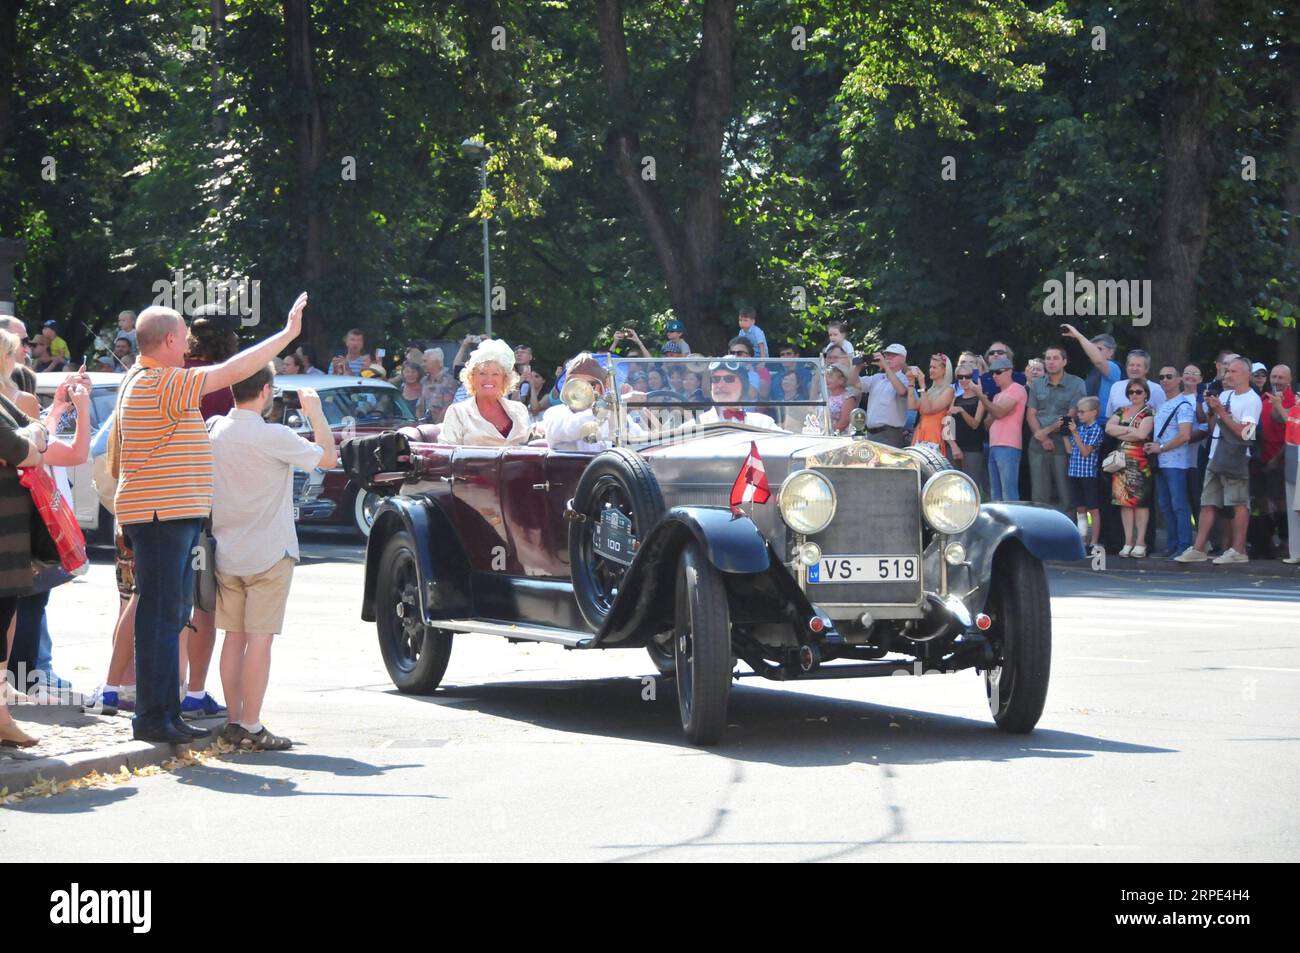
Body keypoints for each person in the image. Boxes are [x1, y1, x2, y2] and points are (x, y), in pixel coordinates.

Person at [111, 293, 308, 744]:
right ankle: (154, 717)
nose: (189, 345)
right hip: (162, 516)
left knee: (169, 614)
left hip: (166, 514)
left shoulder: (150, 377)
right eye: (183, 337)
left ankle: (164, 711)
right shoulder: (160, 381)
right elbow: (232, 372)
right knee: (162, 617)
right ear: (169, 339)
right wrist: (286, 335)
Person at [210, 367, 336, 750]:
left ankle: (234, 720)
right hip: (269, 550)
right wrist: (315, 412)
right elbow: (327, 459)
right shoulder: (273, 436)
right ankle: (251, 723)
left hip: (226, 549)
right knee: (259, 641)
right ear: (266, 391)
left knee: (232, 637)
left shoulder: (213, 428)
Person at [0, 378, 50, 748]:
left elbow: (37, 432)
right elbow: (23, 452)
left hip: (8, 539)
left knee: (1, 624)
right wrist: (27, 440)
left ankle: (1, 716)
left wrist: (29, 435)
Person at [1176, 357, 1261, 564]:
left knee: (1238, 503)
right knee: (1208, 503)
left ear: (1247, 375)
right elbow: (1215, 428)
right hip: (1216, 454)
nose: (1228, 375)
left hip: (1237, 458)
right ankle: (1199, 548)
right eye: (1227, 371)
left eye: (1234, 371)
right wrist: (1213, 409)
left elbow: (1246, 434)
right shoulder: (1225, 394)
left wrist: (1221, 411)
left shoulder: (1252, 400)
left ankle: (1238, 550)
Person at [1144, 366, 1197, 558]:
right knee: (1165, 505)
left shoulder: (1183, 406)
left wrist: (1162, 447)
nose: (1165, 380)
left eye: (1169, 376)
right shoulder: (1163, 405)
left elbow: (1185, 435)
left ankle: (1184, 545)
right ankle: (1172, 544)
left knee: (1179, 505)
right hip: (1161, 462)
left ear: (1179, 380)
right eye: (1161, 377)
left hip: (1176, 463)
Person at [1025, 345, 1086, 512]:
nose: (1051, 362)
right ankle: (1040, 533)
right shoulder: (1037, 384)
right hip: (1038, 444)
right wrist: (1042, 437)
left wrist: (1046, 431)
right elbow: (1031, 414)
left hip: (1063, 443)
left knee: (1066, 493)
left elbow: (1072, 415)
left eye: (1055, 358)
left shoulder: (1076, 383)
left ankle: (1068, 532)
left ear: (1064, 361)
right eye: (1048, 358)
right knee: (1039, 495)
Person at [439, 339, 532, 445]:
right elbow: (445, 453)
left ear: (505, 379)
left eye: (495, 374)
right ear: (472, 378)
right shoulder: (457, 412)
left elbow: (530, 446)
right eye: (482, 373)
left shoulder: (519, 410)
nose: (489, 379)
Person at [969, 357, 1027, 501]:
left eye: (998, 372)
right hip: (995, 445)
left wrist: (982, 397)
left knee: (1009, 492)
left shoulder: (1017, 389)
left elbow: (998, 413)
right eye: (993, 373)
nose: (995, 376)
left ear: (1009, 371)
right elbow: (988, 423)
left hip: (1009, 445)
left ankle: (1013, 522)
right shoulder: (997, 396)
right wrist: (992, 407)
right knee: (995, 493)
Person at [542, 353, 617, 451]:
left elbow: (639, 442)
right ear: (566, 387)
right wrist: (599, 410)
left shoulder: (612, 414)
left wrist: (627, 409)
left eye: (591, 384)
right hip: (570, 466)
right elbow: (570, 430)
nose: (582, 390)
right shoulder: (554, 413)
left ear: (603, 386)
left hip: (608, 465)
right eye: (575, 384)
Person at [1066, 396, 1105, 548]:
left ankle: (1094, 541)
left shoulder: (1095, 430)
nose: (1079, 415)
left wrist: (1074, 433)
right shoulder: (1080, 429)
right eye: (1078, 412)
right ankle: (1082, 539)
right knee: (1080, 508)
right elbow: (1071, 449)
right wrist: (1065, 434)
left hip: (1088, 474)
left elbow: (1085, 452)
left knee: (1093, 508)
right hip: (1075, 472)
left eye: (1082, 412)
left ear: (1093, 412)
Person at [698, 359, 782, 429]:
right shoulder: (698, 424)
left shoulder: (763, 423)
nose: (720, 385)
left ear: (743, 386)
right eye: (715, 379)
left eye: (729, 379)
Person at [858, 344, 911, 447]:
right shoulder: (877, 377)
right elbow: (853, 383)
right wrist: (857, 366)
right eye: (887, 355)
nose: (889, 358)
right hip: (870, 434)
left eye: (893, 355)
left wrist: (885, 366)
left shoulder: (905, 378)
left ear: (903, 359)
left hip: (889, 434)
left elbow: (902, 391)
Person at [950, 363, 988, 494]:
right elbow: (946, 423)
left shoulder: (981, 399)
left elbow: (975, 424)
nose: (964, 380)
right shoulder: (955, 398)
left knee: (971, 488)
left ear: (974, 377)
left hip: (973, 448)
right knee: (953, 488)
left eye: (968, 377)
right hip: (955, 447)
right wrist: (953, 445)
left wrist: (961, 411)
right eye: (960, 377)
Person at [908, 353, 955, 456]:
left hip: (934, 435)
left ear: (944, 370)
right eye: (930, 367)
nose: (930, 370)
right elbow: (912, 405)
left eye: (934, 367)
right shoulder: (929, 391)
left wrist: (922, 384)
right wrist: (911, 383)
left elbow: (928, 410)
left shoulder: (949, 390)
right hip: (921, 433)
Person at [1060, 325, 1123, 401]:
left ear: (1111, 352)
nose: (1094, 352)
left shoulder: (1114, 367)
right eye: (1093, 349)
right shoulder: (1095, 371)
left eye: (1099, 349)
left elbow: (1099, 361)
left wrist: (1078, 336)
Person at [1276, 383, 1300, 564]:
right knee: (1294, 509)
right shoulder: (1295, 411)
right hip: (1293, 459)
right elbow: (1289, 421)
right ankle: (1295, 553)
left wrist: (1278, 405)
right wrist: (1278, 405)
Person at [1104, 349, 1165, 418]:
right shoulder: (1116, 386)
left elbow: (1162, 418)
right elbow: (1109, 416)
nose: (1134, 368)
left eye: (1138, 366)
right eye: (1131, 365)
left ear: (1146, 369)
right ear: (1126, 367)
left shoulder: (1156, 389)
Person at [825, 365, 856, 434]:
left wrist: (827, 432)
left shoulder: (848, 398)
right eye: (825, 376)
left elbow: (843, 424)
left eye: (830, 376)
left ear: (842, 380)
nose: (826, 379)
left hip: (839, 438)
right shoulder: (823, 396)